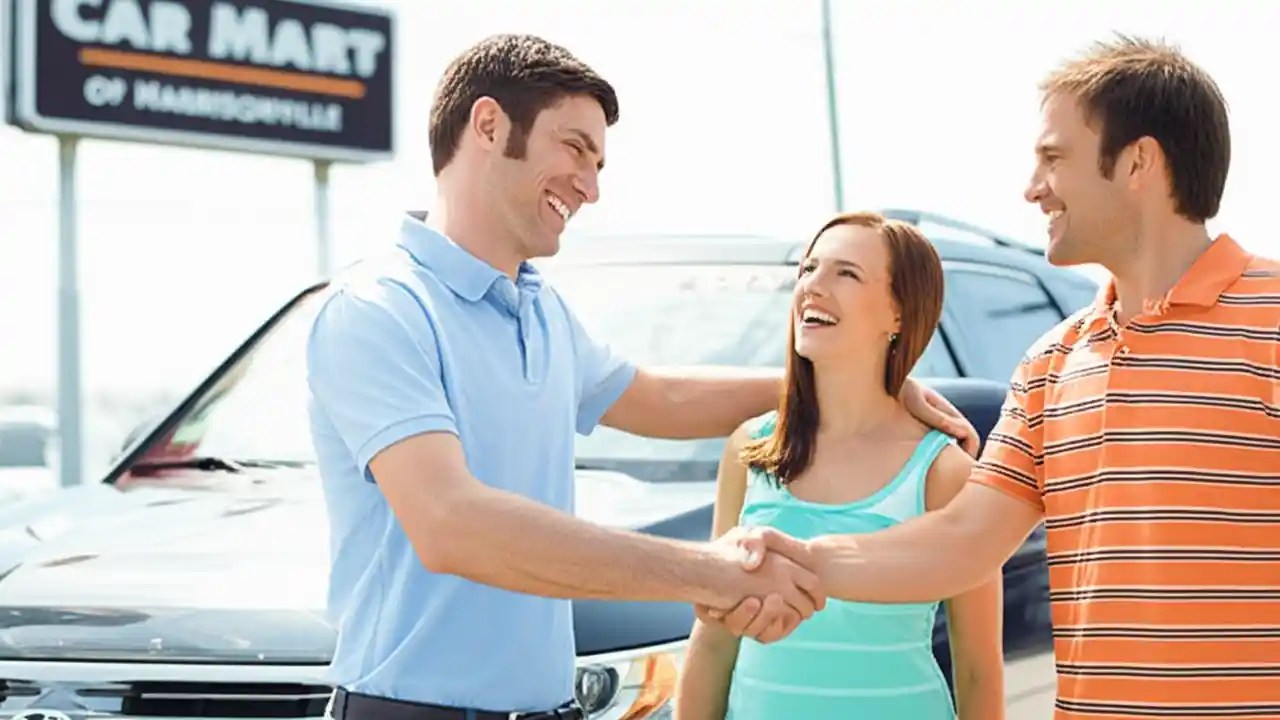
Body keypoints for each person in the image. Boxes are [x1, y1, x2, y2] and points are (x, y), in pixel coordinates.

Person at [304, 34, 977, 720]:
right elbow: (452, 522)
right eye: (575, 148)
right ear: (488, 125)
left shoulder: (541, 311)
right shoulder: (379, 310)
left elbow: (660, 397)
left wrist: (858, 385)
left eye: (597, 164)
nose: (590, 187)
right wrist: (709, 572)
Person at [706, 35, 1280, 719]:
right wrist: (792, 558)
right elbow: (961, 541)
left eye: (1054, 159)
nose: (1032, 188)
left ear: (1138, 163)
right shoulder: (1051, 364)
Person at [674, 212, 1005, 720]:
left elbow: (979, 669)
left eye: (846, 273)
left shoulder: (943, 473)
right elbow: (714, 640)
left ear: (899, 313)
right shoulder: (751, 449)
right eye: (809, 269)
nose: (813, 286)